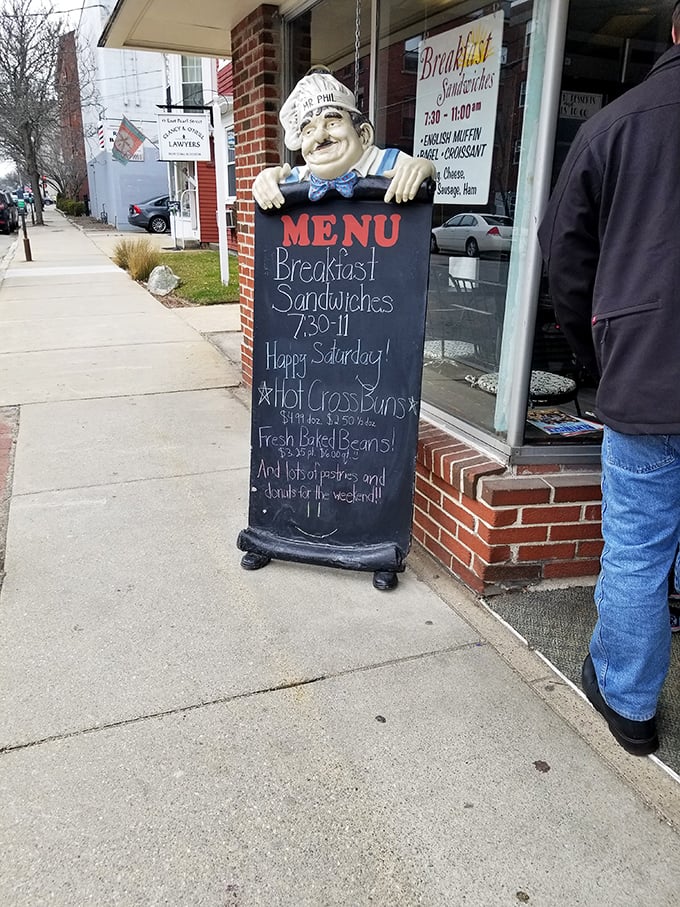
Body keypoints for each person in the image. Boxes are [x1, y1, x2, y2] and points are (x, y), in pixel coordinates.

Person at [537, 3, 680, 757]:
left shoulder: (616, 125)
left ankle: (627, 700)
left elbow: (565, 257)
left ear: (675, 31)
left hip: (649, 380)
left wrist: (596, 358)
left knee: (636, 546)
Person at [252, 67, 435, 210]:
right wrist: (264, 182)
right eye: (308, 131)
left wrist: (423, 167)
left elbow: (421, 178)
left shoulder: (389, 163)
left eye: (332, 123)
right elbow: (269, 195)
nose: (320, 136)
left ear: (363, 134)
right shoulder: (296, 180)